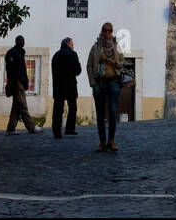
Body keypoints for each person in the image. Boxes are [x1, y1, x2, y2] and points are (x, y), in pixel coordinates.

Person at [86, 22, 123, 152]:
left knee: (113, 112)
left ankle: (111, 140)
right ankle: (102, 142)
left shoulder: (117, 47)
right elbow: (89, 65)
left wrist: (111, 61)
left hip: (113, 82)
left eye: (109, 30)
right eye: (105, 30)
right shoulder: (95, 47)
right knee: (100, 113)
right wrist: (92, 83)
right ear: (101, 31)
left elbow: (122, 64)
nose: (107, 33)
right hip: (99, 83)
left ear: (112, 32)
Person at [3, 36, 42, 135]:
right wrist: (18, 81)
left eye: (23, 40)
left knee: (16, 106)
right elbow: (13, 69)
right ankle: (31, 127)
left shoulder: (19, 52)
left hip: (19, 82)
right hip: (17, 82)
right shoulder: (14, 53)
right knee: (22, 105)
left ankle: (11, 128)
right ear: (17, 42)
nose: (23, 42)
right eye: (21, 40)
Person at [50, 36, 81, 139]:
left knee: (58, 109)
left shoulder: (56, 55)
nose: (73, 46)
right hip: (70, 85)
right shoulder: (73, 54)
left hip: (58, 86)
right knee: (72, 107)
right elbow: (78, 71)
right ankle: (69, 129)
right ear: (68, 44)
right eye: (72, 44)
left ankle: (56, 131)